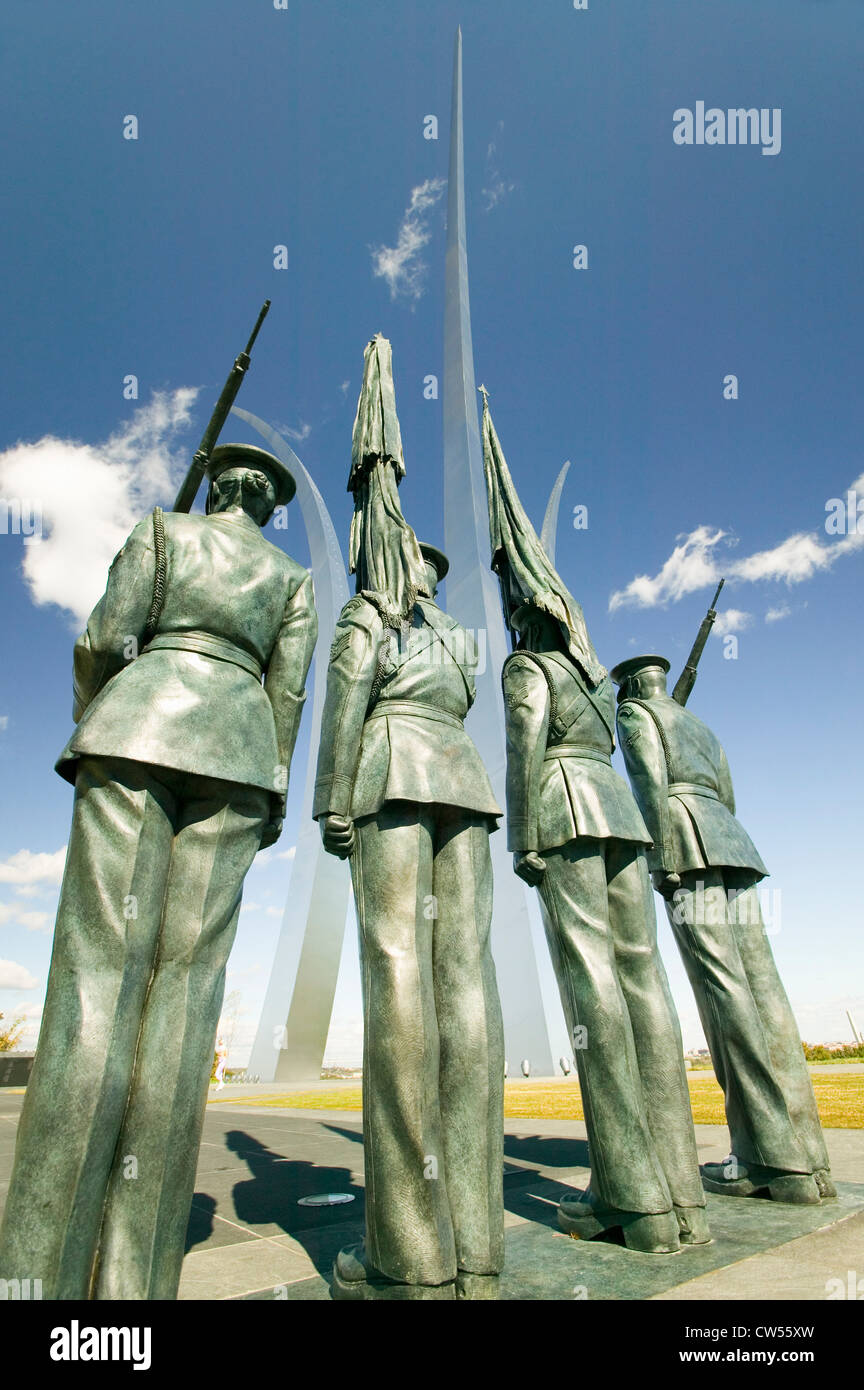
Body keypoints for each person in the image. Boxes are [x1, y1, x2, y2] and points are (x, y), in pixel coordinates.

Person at [0, 443, 317, 1299]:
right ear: (271, 505)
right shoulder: (292, 579)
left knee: (96, 982)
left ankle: (40, 1277)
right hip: (241, 758)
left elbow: (104, 637)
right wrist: (273, 780)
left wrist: (101, 712)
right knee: (186, 996)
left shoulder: (160, 531)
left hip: (137, 732)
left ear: (217, 488)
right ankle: (136, 1289)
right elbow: (289, 695)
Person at [481, 393, 709, 1253]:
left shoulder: (529, 668)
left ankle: (634, 1200)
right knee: (644, 985)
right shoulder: (594, 679)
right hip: (620, 817)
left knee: (593, 992)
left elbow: (526, 748)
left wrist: (523, 838)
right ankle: (679, 1191)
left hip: (567, 813)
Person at [314, 335, 504, 1300]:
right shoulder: (460, 643)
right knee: (469, 993)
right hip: (465, 787)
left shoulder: (366, 619)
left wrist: (329, 802)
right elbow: (461, 704)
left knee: (398, 984)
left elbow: (345, 706)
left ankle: (408, 1255)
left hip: (389, 774)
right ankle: (475, 1246)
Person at [612, 654, 832, 1204]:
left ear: (634, 684)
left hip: (686, 845)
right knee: (766, 995)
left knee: (723, 992)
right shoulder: (703, 728)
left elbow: (648, 784)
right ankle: (809, 1159)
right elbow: (728, 796)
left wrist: (662, 858)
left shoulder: (637, 714)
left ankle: (767, 1158)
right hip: (732, 841)